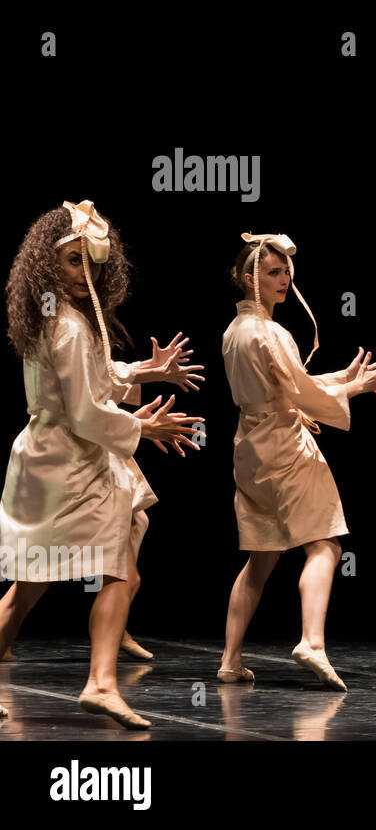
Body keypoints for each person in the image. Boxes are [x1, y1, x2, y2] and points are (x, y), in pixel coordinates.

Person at [0, 201, 204, 728]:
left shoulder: (58, 317)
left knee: (34, 578)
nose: (83, 273)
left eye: (89, 263)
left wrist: (143, 371)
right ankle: (100, 683)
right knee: (111, 570)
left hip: (53, 458)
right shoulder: (66, 324)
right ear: (47, 262)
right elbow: (87, 409)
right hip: (70, 460)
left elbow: (92, 376)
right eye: (72, 262)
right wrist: (143, 427)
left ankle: (100, 681)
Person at [218, 232, 376, 691]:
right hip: (284, 448)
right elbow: (297, 393)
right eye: (273, 273)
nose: (283, 280)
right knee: (325, 544)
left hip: (251, 446)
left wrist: (342, 377)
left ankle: (230, 660)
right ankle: (312, 641)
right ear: (248, 278)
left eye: (286, 273)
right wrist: (351, 389)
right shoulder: (269, 332)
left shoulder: (235, 331)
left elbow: (286, 386)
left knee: (261, 559)